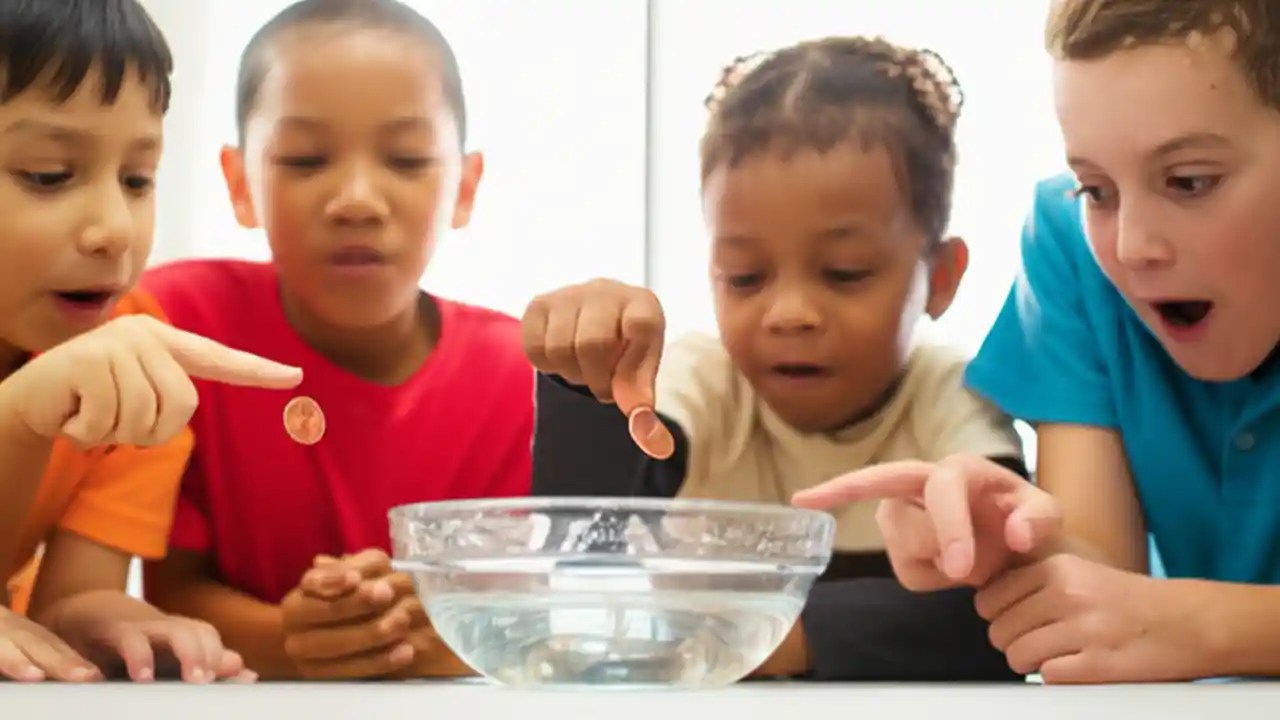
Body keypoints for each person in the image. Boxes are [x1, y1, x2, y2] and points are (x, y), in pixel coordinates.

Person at [796, 0, 1280, 684]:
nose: (1132, 246)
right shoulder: (1070, 244)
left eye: (1189, 182)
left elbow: (1157, 624)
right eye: (1096, 188)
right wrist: (1014, 543)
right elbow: (1098, 581)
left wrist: (1205, 625)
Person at [523, 36, 1025, 681]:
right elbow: (584, 539)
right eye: (745, 276)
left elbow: (1007, 611)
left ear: (942, 277)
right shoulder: (707, 381)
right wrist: (586, 371)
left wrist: (770, 639)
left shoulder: (951, 397)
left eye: (844, 274)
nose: (789, 312)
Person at [141, 0, 533, 681]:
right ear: (240, 184)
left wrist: (441, 638)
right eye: (305, 159)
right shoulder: (180, 325)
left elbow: (532, 616)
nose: (356, 199)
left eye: (407, 159)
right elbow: (171, 590)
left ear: (465, 187)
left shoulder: (520, 377)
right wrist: (289, 640)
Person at [0, 0, 303, 683]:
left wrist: (108, 622)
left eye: (138, 179)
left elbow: (67, 600)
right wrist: (21, 416)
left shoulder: (134, 355)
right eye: (48, 175)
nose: (115, 227)